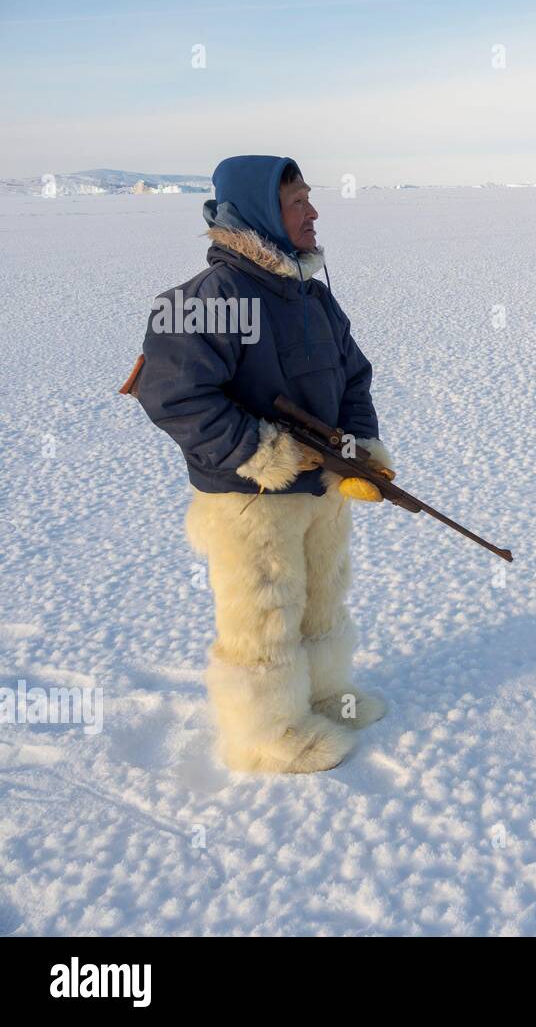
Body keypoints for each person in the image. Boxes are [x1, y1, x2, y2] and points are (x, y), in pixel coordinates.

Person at [135, 155, 391, 774]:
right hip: (249, 498)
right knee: (264, 614)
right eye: (297, 202)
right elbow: (174, 395)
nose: (313, 212)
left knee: (322, 597)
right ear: (257, 213)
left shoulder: (312, 297)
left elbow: (353, 377)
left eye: (309, 198)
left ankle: (324, 694)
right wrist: (260, 451)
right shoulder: (209, 298)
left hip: (322, 488)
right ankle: (264, 733)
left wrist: (358, 449)